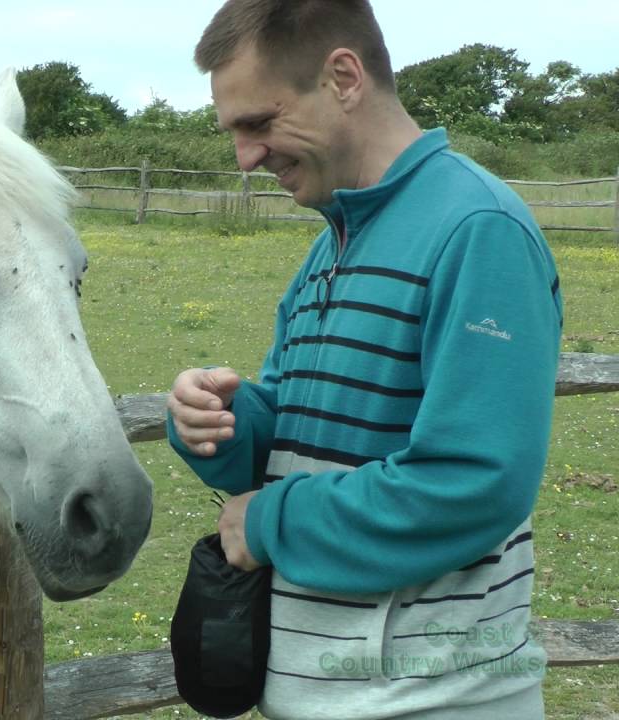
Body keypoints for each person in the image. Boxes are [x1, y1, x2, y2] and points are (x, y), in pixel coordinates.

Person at [166, 1, 563, 718]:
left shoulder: (479, 231)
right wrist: (224, 423)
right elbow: (294, 439)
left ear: (343, 77)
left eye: (257, 123)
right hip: (332, 694)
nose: (245, 158)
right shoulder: (332, 242)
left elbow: (474, 484)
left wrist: (270, 523)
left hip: (435, 699)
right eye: (233, 132)